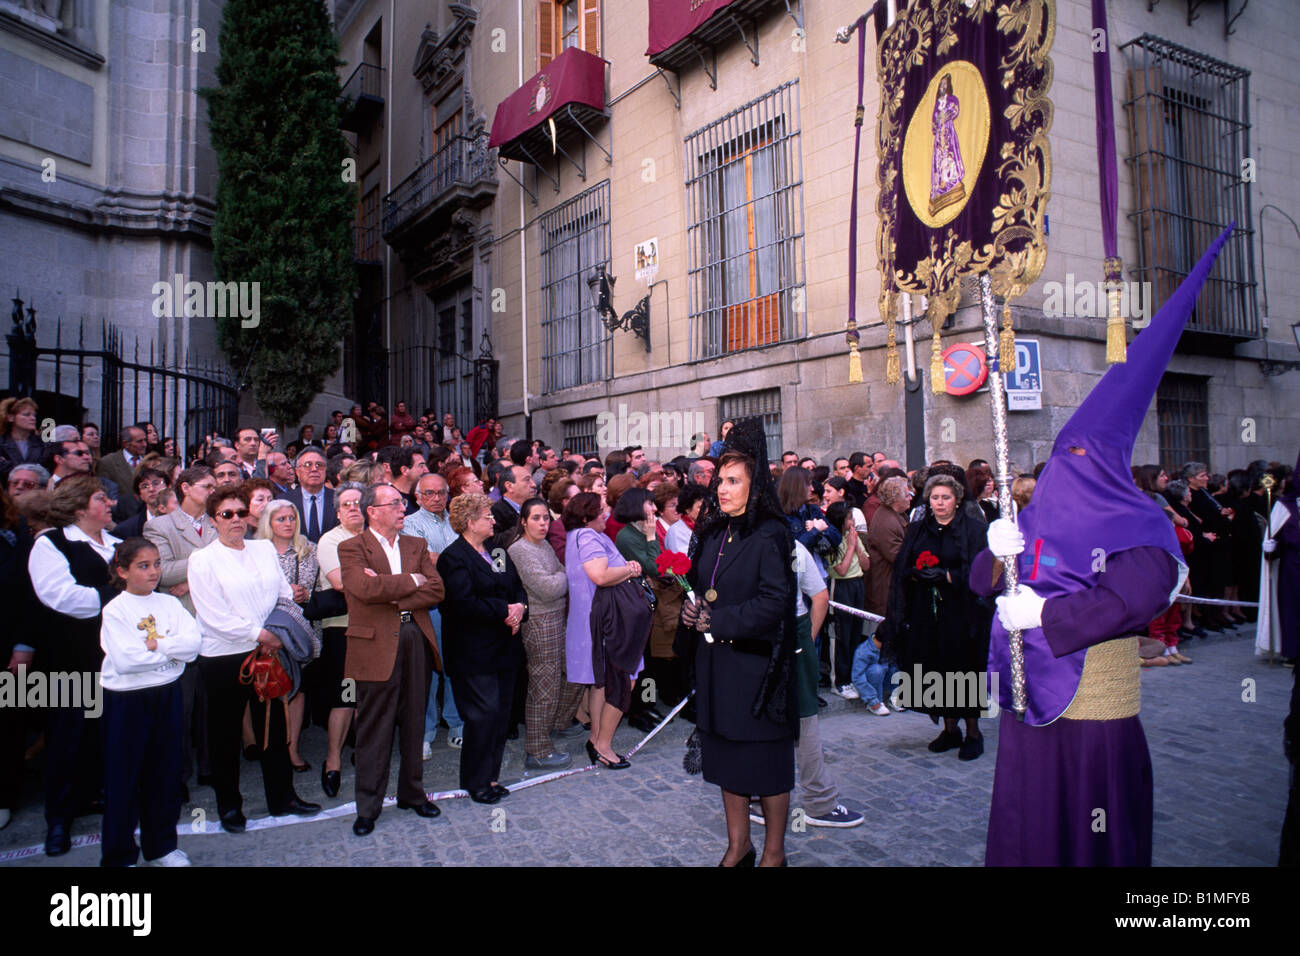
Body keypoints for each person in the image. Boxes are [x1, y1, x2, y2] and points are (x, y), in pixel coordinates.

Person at [979, 225, 1231, 866]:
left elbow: (1133, 598)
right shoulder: (1037, 519)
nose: (1070, 468)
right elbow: (984, 579)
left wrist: (1046, 615)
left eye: (1082, 458)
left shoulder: (1141, 523)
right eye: (1066, 456)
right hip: (1030, 698)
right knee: (1027, 818)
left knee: (1091, 827)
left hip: (1092, 705)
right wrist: (992, 550)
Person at [679, 419, 797, 867]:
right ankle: (738, 845)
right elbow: (700, 588)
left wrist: (719, 618)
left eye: (733, 481)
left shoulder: (770, 533)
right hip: (717, 665)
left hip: (758, 668)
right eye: (719, 480)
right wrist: (694, 613)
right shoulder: (712, 532)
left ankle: (773, 852)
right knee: (726, 757)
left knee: (765, 765)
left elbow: (775, 603)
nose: (722, 489)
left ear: (754, 484)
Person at [187, 484, 321, 834]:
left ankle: (283, 797)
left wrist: (272, 635)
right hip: (223, 657)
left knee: (273, 729)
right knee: (225, 735)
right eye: (225, 514)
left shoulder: (262, 549)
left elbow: (281, 593)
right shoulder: (203, 559)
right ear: (213, 519)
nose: (234, 520)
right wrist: (260, 635)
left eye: (239, 512)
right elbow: (213, 615)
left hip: (267, 651)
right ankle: (229, 806)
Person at [339, 483, 445, 834]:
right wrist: (410, 581)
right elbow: (364, 590)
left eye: (403, 503)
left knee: (415, 720)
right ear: (373, 510)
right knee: (374, 728)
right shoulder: (351, 548)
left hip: (414, 637)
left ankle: (412, 794)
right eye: (396, 503)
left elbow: (435, 590)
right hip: (374, 646)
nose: (403, 508)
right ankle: (367, 807)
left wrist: (395, 591)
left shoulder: (416, 544)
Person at [27, 474, 120, 855]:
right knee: (67, 737)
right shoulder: (50, 544)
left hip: (112, 657)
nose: (111, 504)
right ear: (81, 507)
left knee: (102, 734)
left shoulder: (116, 544)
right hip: (68, 659)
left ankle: (92, 795)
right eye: (102, 498)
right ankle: (59, 820)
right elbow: (61, 597)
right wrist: (118, 593)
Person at [99, 537, 202, 867]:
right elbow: (126, 660)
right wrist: (171, 649)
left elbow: (193, 644)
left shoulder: (170, 604)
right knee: (124, 777)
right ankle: (119, 854)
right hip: (128, 700)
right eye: (143, 566)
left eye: (157, 564)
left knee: (165, 772)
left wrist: (155, 645)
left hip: (166, 693)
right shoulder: (115, 610)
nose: (154, 571)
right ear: (122, 571)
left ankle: (161, 847)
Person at [752, 538, 864, 829]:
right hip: (768, 636)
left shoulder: (782, 545)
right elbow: (820, 597)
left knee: (789, 719)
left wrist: (805, 639)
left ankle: (784, 797)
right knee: (797, 720)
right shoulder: (782, 544)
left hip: (777, 635)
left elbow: (820, 597)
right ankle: (816, 801)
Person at [880, 473, 992, 760]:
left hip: (962, 612)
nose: (940, 503)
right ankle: (949, 728)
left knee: (962, 667)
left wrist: (948, 576)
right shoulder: (919, 529)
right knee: (936, 666)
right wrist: (917, 574)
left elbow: (984, 572)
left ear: (957, 500)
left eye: (946, 498)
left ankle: (973, 732)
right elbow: (904, 563)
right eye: (935, 498)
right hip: (926, 613)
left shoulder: (974, 529)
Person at [437, 493, 526, 803]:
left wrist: (519, 609)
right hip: (473, 652)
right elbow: (461, 604)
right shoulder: (454, 557)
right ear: (470, 522)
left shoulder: (496, 549)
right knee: (482, 715)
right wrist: (505, 610)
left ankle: (491, 777)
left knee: (501, 715)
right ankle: (475, 781)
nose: (493, 520)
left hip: (505, 647)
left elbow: (515, 586)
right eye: (487, 516)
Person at [564, 491, 643, 769]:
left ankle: (596, 741)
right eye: (601, 510)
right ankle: (604, 744)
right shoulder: (587, 536)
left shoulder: (580, 536)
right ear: (586, 516)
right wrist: (631, 570)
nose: (606, 513)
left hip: (596, 620)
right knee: (624, 681)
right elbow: (599, 575)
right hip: (606, 622)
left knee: (602, 684)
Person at [508, 498, 583, 770]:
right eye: (536, 518)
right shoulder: (520, 549)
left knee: (570, 673)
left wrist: (562, 577)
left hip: (558, 617)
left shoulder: (544, 544)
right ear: (524, 521)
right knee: (544, 685)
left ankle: (559, 722)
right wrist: (566, 577)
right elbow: (548, 587)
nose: (542, 523)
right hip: (540, 622)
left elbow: (559, 577)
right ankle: (537, 749)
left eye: (545, 518)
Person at [402, 472, 463, 756]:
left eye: (441, 492)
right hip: (429, 606)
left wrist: (453, 560)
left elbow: (474, 552)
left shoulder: (457, 520)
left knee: (455, 666)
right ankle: (424, 732)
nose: (437, 498)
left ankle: (456, 724)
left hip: (460, 602)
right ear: (417, 497)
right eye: (429, 493)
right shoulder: (410, 524)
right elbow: (423, 561)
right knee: (427, 669)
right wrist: (461, 560)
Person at [257, 499, 320, 772]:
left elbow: (309, 586)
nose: (287, 523)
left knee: (298, 689)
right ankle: (269, 748)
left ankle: (293, 748)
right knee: (270, 689)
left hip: (299, 629)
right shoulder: (256, 551)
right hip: (266, 630)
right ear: (268, 523)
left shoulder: (308, 549)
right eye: (280, 519)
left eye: (291, 518)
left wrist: (301, 593)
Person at [313, 482, 365, 797]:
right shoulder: (331, 540)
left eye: (359, 502)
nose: (353, 507)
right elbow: (343, 583)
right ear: (337, 511)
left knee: (370, 695)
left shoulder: (376, 537)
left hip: (376, 627)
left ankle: (364, 748)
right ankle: (333, 760)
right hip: (344, 629)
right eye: (347, 504)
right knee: (345, 696)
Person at [613, 487, 669, 733]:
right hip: (635, 601)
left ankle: (647, 703)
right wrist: (650, 538)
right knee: (639, 657)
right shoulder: (627, 536)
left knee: (650, 659)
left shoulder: (642, 530)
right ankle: (636, 710)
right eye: (650, 504)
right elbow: (655, 566)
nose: (655, 510)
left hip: (648, 599)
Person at [854, 476, 913, 712]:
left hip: (891, 589)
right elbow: (898, 557)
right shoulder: (887, 521)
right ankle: (879, 695)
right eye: (906, 493)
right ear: (896, 498)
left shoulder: (893, 516)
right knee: (883, 644)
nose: (910, 496)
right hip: (885, 590)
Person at [825, 500, 869, 701]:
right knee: (840, 635)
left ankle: (851, 677)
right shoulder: (831, 540)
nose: (853, 521)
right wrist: (851, 546)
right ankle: (838, 681)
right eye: (849, 517)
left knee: (855, 633)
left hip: (857, 584)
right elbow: (840, 569)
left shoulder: (853, 536)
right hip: (840, 587)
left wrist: (857, 546)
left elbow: (866, 564)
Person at [97, 425, 149, 521]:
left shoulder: (150, 462)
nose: (144, 444)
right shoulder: (108, 462)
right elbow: (105, 493)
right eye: (139, 441)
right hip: (121, 519)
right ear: (126, 444)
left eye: (145, 440)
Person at [284, 447, 336, 543]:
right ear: (297, 472)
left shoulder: (338, 499)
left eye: (319, 465)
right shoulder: (285, 501)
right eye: (308, 465)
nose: (314, 469)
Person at [0, 396, 45, 482]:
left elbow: (44, 469)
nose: (33, 418)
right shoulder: (2, 442)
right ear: (11, 418)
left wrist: (10, 464)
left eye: (34, 415)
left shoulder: (40, 443)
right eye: (27, 414)